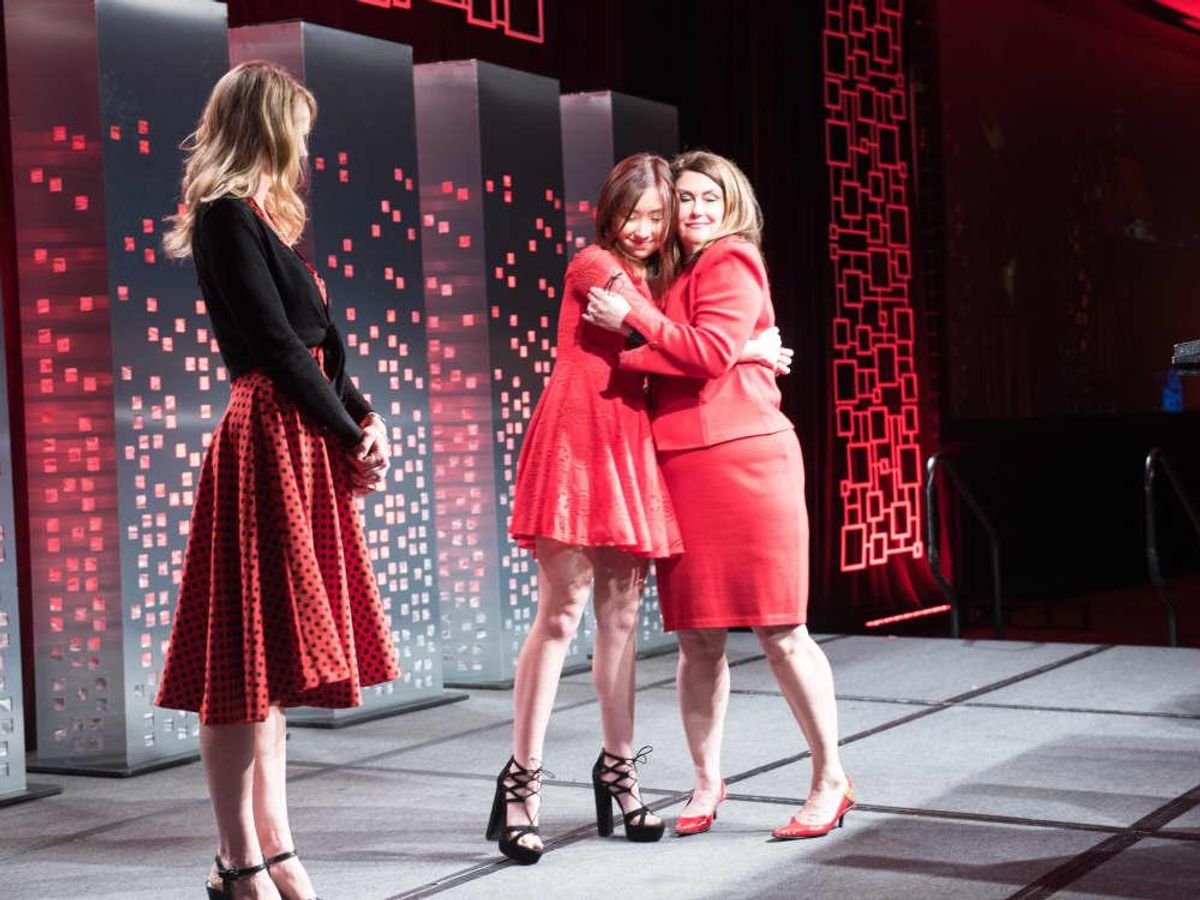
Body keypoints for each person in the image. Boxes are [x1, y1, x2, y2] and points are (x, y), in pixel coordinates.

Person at [496, 153, 787, 864]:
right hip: (576, 435)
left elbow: (685, 348)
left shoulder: (663, 279)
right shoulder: (594, 264)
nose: (649, 228)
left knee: (622, 621)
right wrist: (749, 345)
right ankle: (521, 784)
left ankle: (619, 772)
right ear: (610, 210)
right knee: (562, 614)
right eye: (638, 213)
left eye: (660, 217)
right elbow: (682, 340)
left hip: (631, 440)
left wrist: (731, 348)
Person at [156, 62, 397, 899]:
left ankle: (276, 848)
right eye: (296, 127)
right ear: (268, 128)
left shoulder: (263, 218)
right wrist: (342, 429)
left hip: (298, 437)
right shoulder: (225, 216)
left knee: (276, 668)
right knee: (242, 666)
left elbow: (322, 343)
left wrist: (364, 420)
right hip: (266, 439)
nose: (304, 146)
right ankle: (237, 860)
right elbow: (275, 346)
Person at [583, 149, 853, 841]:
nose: (697, 211)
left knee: (781, 630)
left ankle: (830, 777)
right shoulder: (670, 271)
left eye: (711, 197)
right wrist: (739, 349)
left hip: (747, 460)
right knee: (697, 641)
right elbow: (684, 354)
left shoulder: (733, 259)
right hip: (678, 465)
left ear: (733, 205)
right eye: (688, 200)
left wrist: (647, 334)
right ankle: (707, 780)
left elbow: (700, 353)